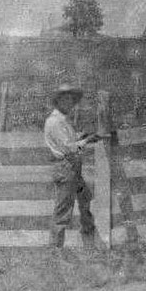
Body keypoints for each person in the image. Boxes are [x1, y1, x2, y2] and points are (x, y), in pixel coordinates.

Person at [43, 83, 98, 248]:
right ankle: (54, 251)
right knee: (63, 211)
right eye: (65, 100)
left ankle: (89, 240)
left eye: (71, 100)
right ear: (58, 102)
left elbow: (69, 141)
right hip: (66, 167)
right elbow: (68, 148)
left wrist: (82, 136)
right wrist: (87, 140)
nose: (70, 104)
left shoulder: (62, 120)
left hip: (72, 168)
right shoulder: (55, 122)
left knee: (85, 197)